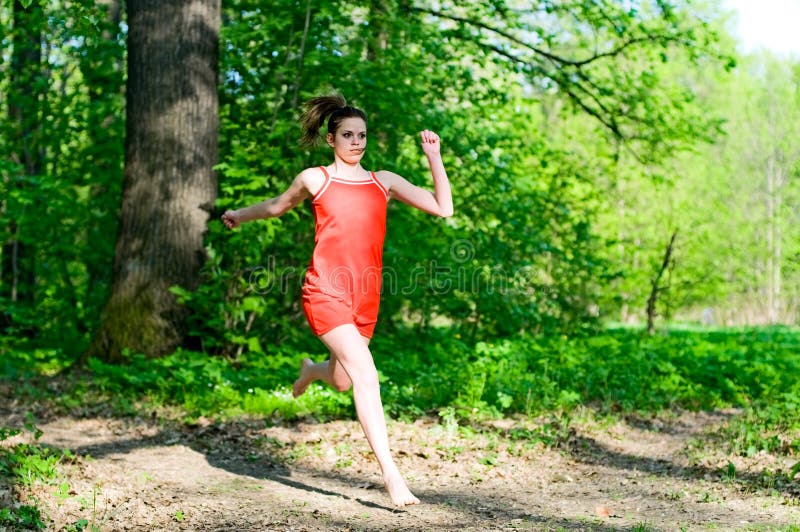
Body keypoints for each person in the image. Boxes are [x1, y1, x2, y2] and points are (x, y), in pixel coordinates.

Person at [221, 94, 453, 506]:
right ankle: (393, 477)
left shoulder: (383, 181)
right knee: (366, 376)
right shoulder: (316, 179)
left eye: (362, 135)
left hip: (366, 296)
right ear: (331, 139)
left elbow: (443, 207)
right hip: (324, 290)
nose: (356, 142)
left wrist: (433, 156)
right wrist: (240, 213)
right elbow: (277, 207)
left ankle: (312, 370)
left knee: (344, 380)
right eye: (348, 135)